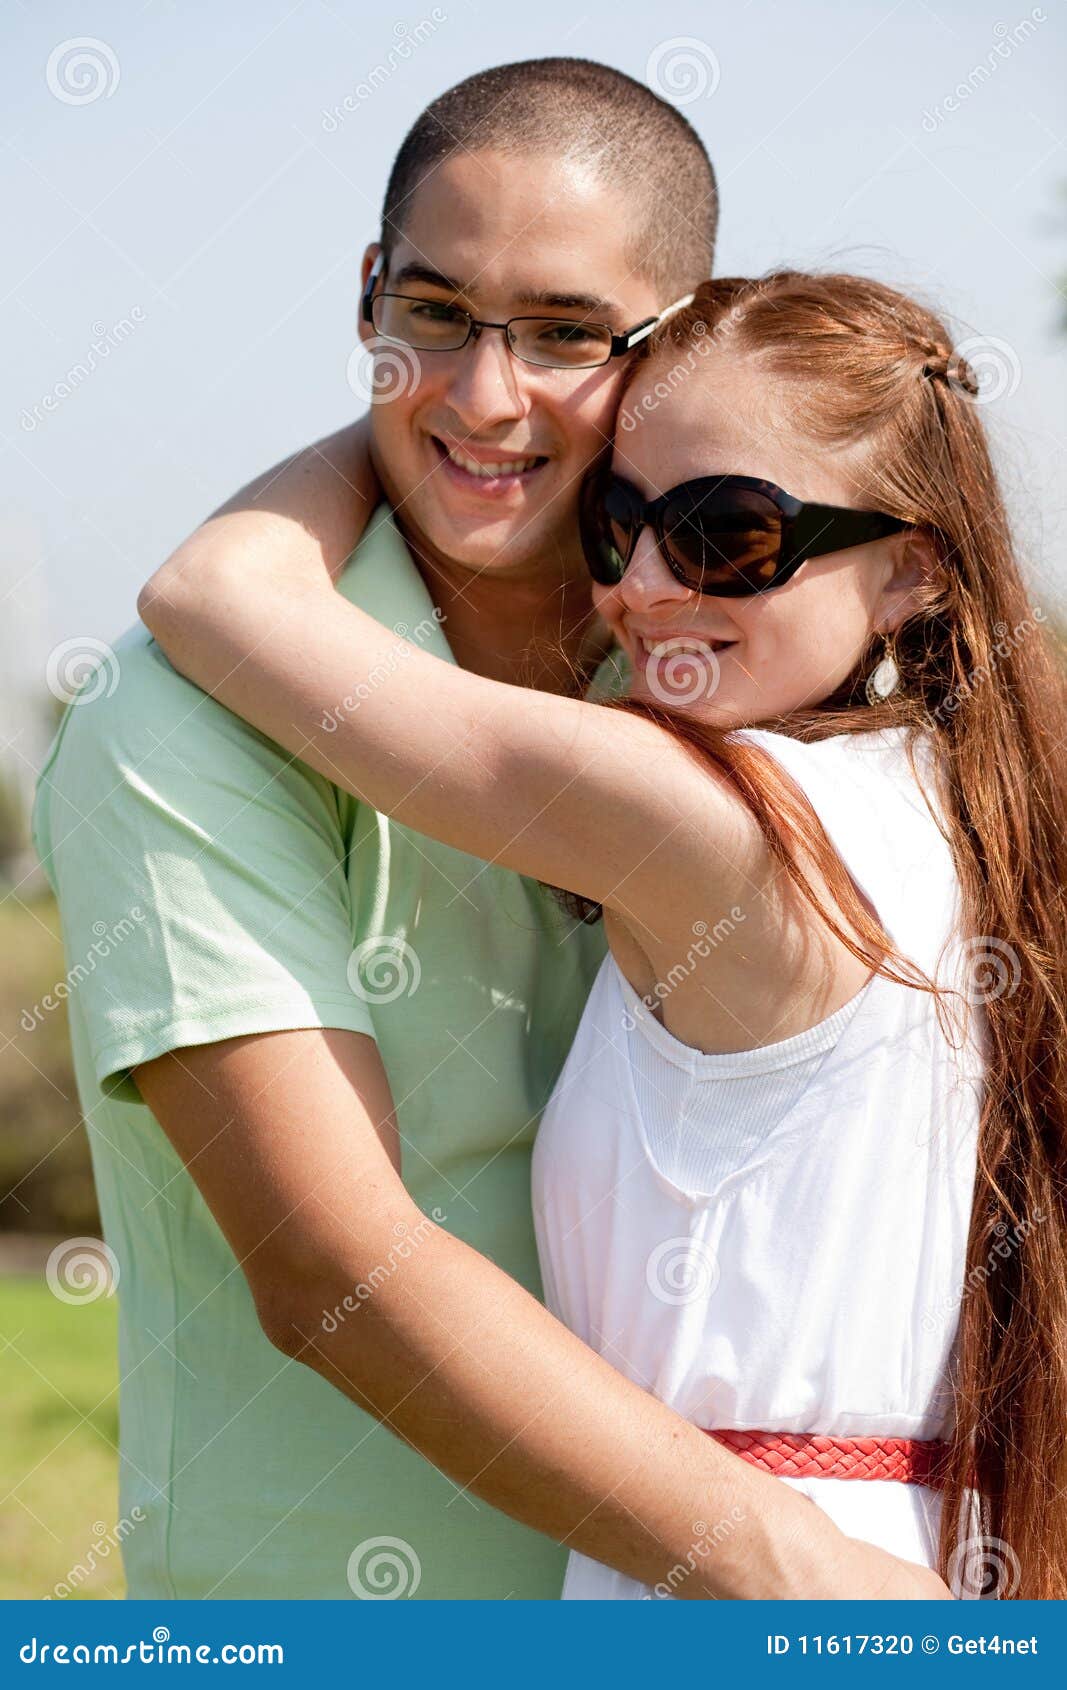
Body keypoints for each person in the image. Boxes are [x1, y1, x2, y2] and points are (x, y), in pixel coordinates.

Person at [34, 59, 935, 1601]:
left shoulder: (714, 677)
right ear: (369, 300)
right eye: (435, 313)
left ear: (675, 341)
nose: (484, 394)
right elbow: (334, 1267)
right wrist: (803, 1570)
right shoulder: (171, 728)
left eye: (570, 332)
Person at [140, 269, 1067, 1602]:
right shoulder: (974, 822)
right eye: (615, 517)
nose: (640, 586)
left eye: (726, 535)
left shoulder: (708, 816)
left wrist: (435, 415)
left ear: (915, 568)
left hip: (740, 1587)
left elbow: (215, 593)